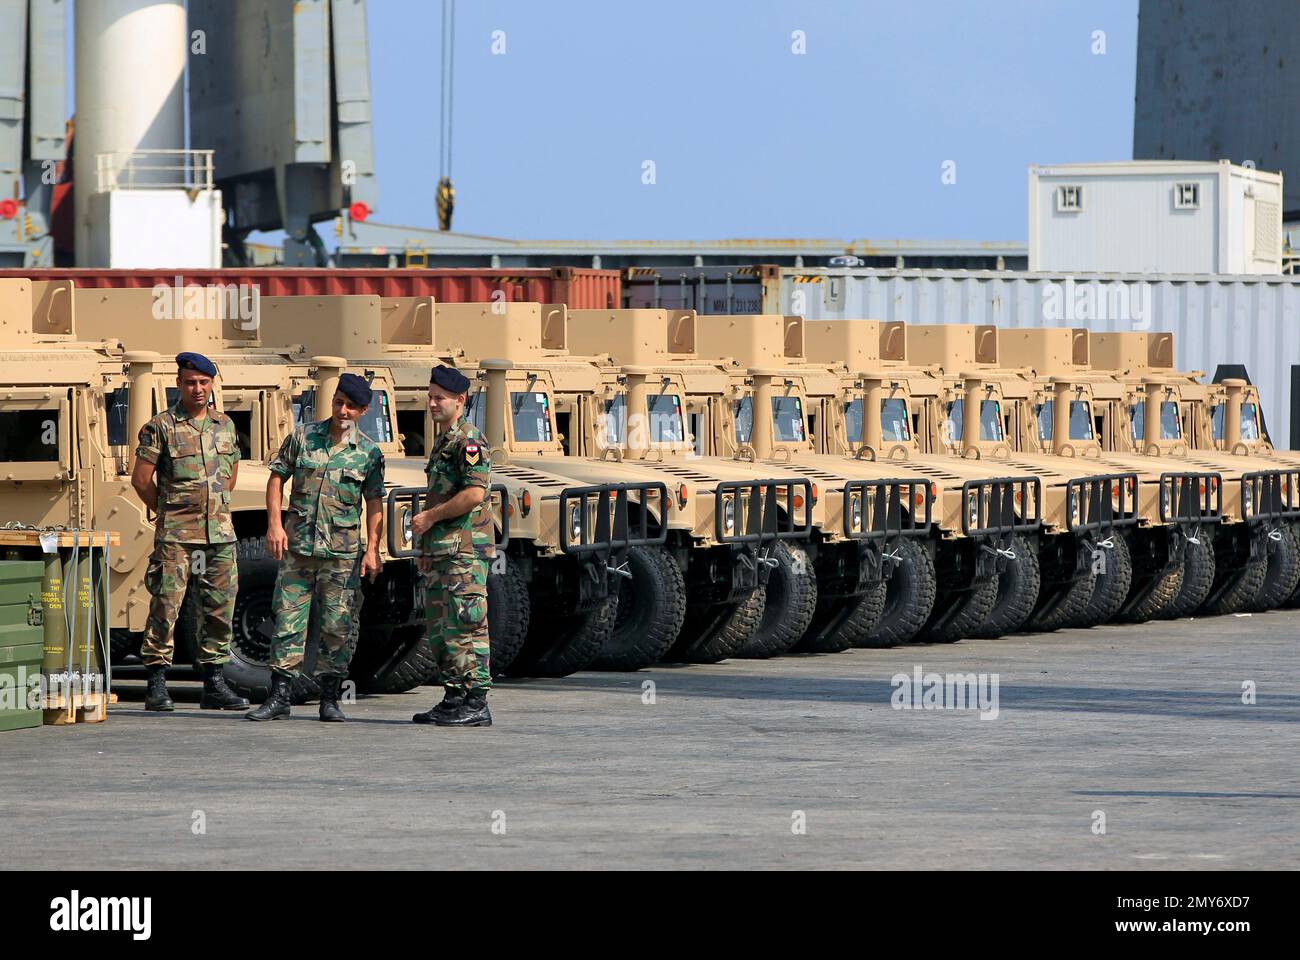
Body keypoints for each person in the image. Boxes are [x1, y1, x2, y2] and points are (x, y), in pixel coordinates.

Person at [246, 373, 384, 722]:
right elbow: (277, 478)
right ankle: (279, 696)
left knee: (337, 627)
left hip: (341, 555)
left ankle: (330, 698)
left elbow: (375, 503)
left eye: (351, 406)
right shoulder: (304, 437)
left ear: (363, 410)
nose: (342, 410)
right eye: (338, 402)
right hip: (299, 550)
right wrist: (275, 525)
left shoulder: (368, 454)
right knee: (287, 622)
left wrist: (373, 550)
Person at [131, 352, 249, 712]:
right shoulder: (161, 426)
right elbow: (140, 479)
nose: (198, 389)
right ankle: (156, 683)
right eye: (190, 382)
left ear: (212, 384)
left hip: (220, 533)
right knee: (166, 605)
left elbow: (230, 473)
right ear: (179, 384)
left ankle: (213, 684)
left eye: (204, 382)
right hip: (177, 536)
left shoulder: (224, 425)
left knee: (220, 607)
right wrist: (168, 510)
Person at [410, 365, 494, 727]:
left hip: (465, 550)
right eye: (429, 397)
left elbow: (474, 494)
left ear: (460, 401)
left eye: (438, 398)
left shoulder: (469, 441)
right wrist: (427, 550)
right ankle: (454, 695)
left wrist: (429, 518)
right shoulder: (444, 440)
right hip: (443, 550)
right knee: (441, 624)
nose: (431, 403)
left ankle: (477, 700)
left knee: (467, 622)